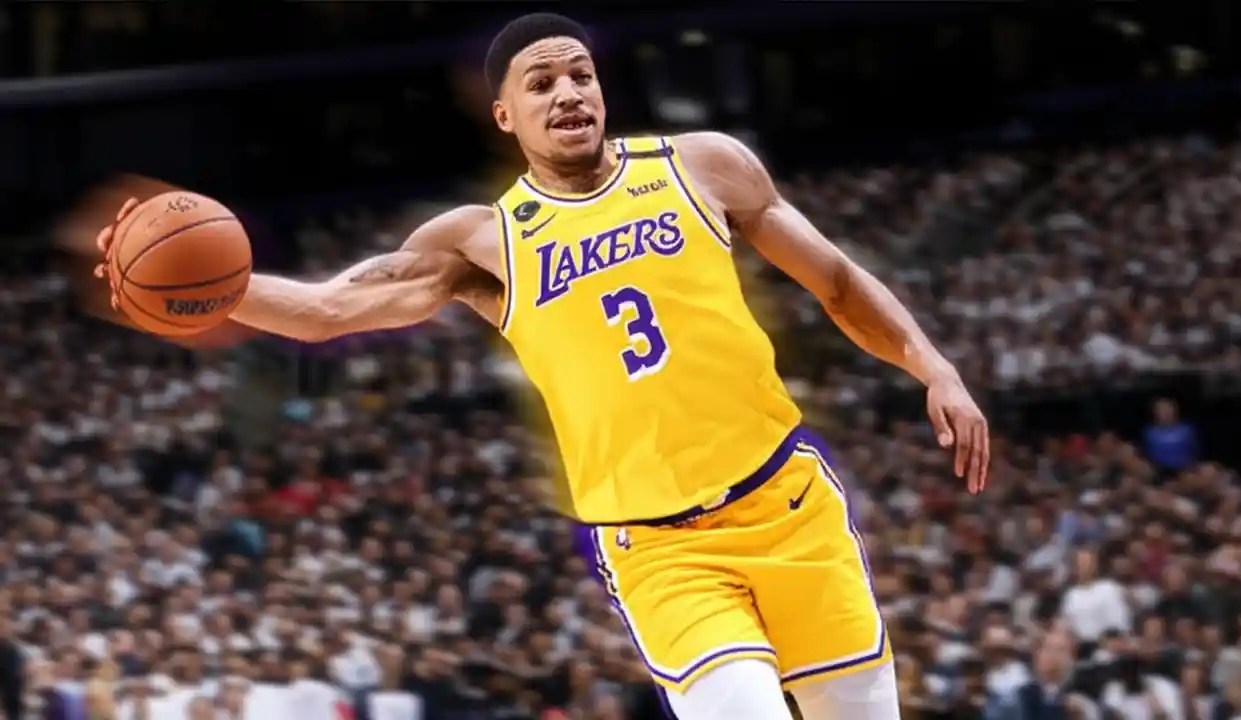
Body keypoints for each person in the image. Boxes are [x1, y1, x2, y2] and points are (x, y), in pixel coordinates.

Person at [93, 13, 989, 719]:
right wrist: (208, 292)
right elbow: (331, 308)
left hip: (789, 504)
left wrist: (934, 366)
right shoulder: (484, 241)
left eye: (580, 75)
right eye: (542, 82)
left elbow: (835, 280)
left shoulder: (704, 168)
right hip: (658, 549)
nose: (568, 93)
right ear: (505, 114)